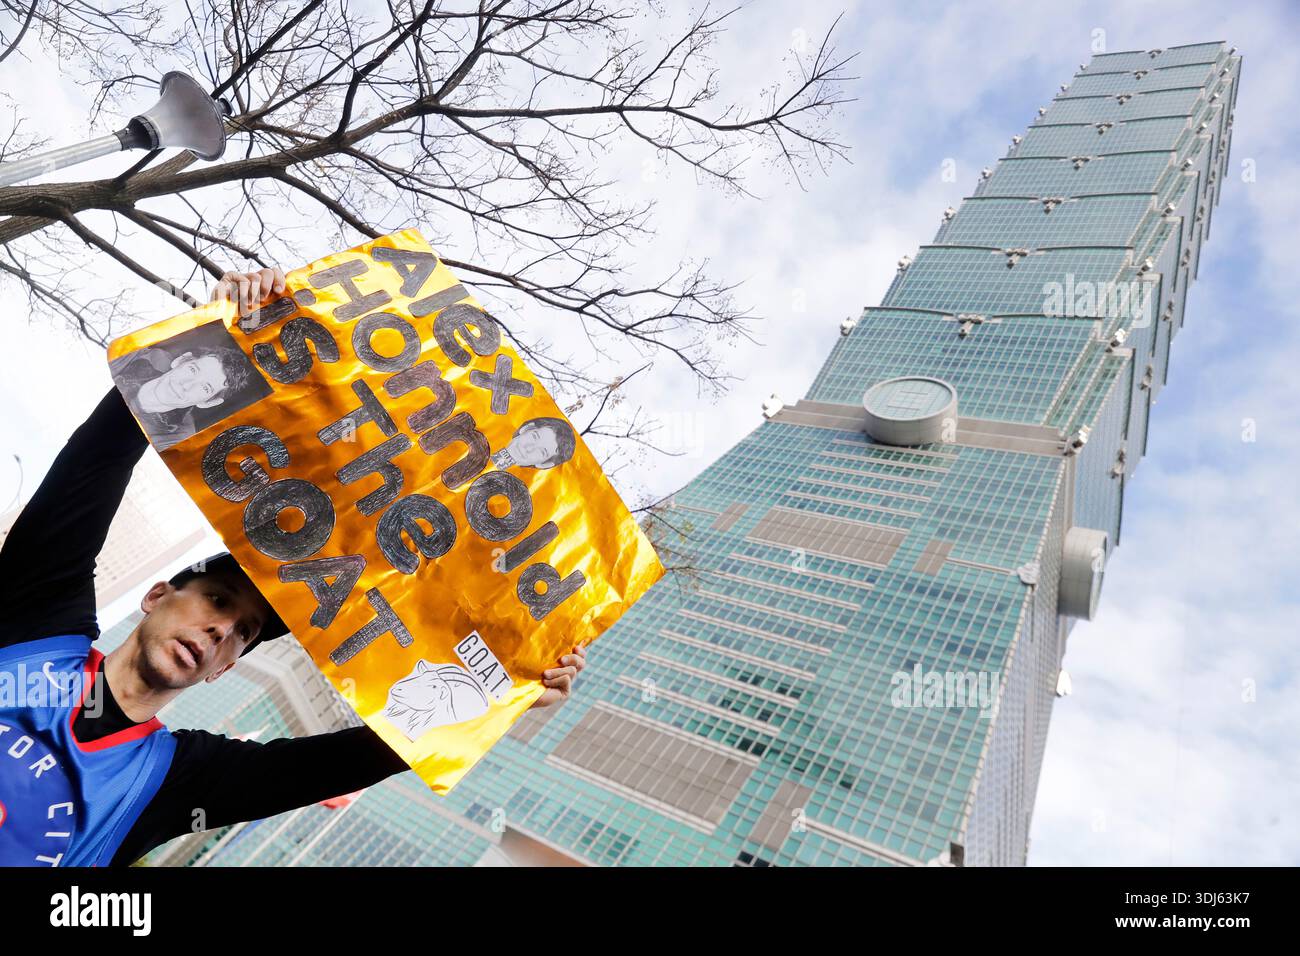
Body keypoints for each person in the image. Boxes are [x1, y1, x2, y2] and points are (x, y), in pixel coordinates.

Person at [0, 266, 587, 867]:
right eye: (219, 601)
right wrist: (210, 342)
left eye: (243, 635)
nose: (221, 631)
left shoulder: (176, 781)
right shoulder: (34, 631)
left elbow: (355, 758)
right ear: (156, 596)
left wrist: (511, 690)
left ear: (221, 672)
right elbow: (87, 477)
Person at [109, 339, 253, 451]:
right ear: (181, 360)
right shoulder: (141, 355)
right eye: (193, 370)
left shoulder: (178, 438)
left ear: (208, 402)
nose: (187, 384)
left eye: (205, 388)